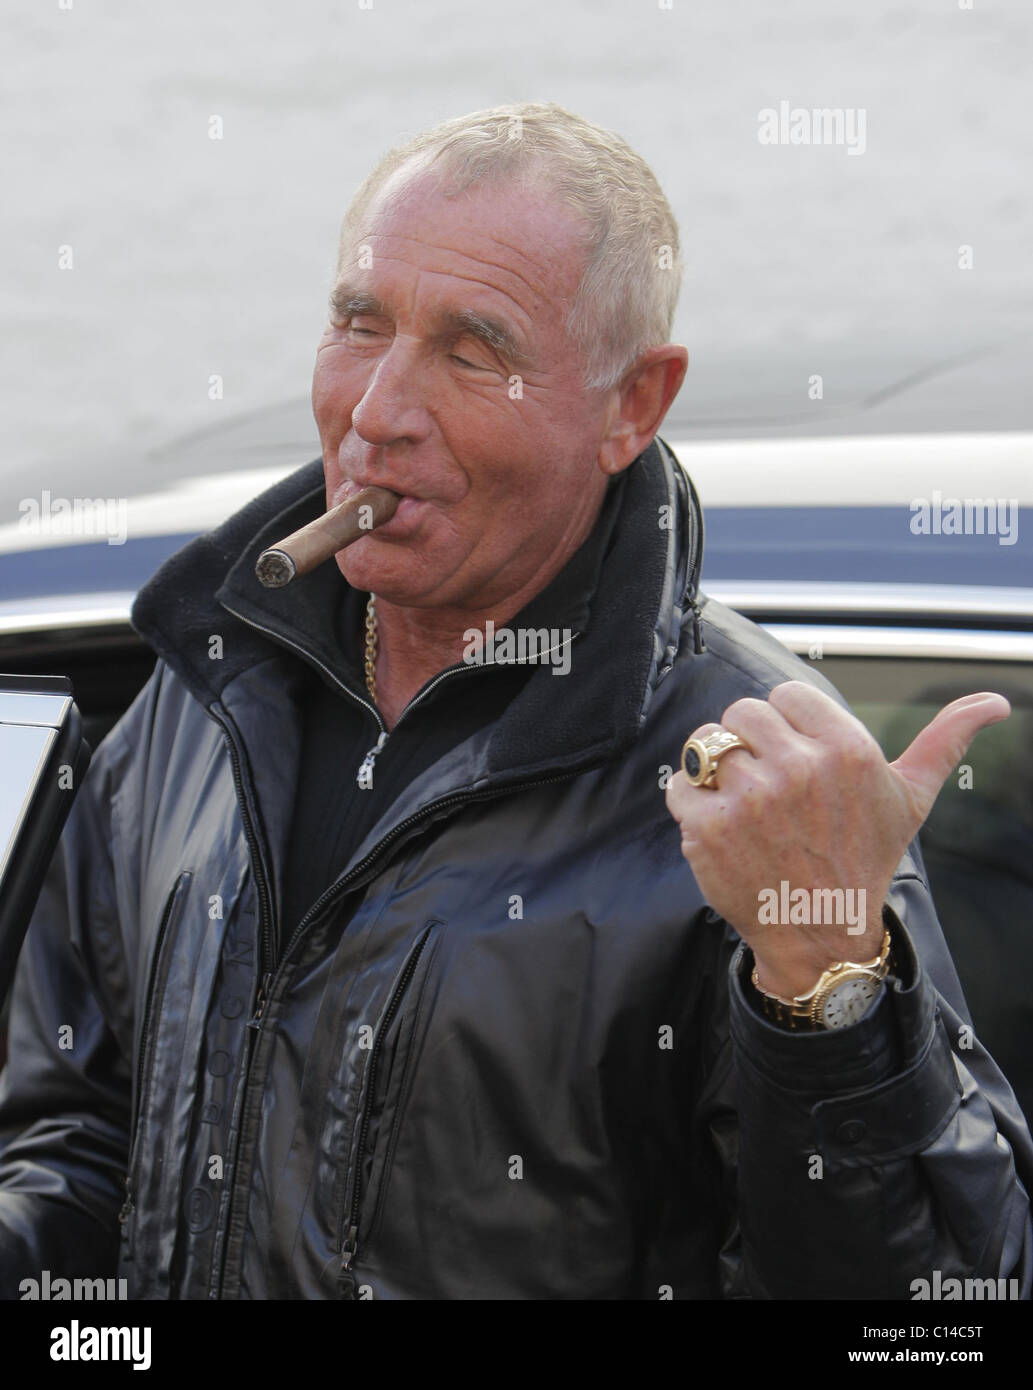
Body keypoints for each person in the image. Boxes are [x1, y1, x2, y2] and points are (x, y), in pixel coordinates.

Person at [0, 101, 1030, 1301]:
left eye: (472, 350)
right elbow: (79, 1142)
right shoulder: (201, 696)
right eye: (359, 324)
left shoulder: (763, 786)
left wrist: (829, 991)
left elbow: (929, 1306)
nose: (378, 409)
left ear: (631, 405)